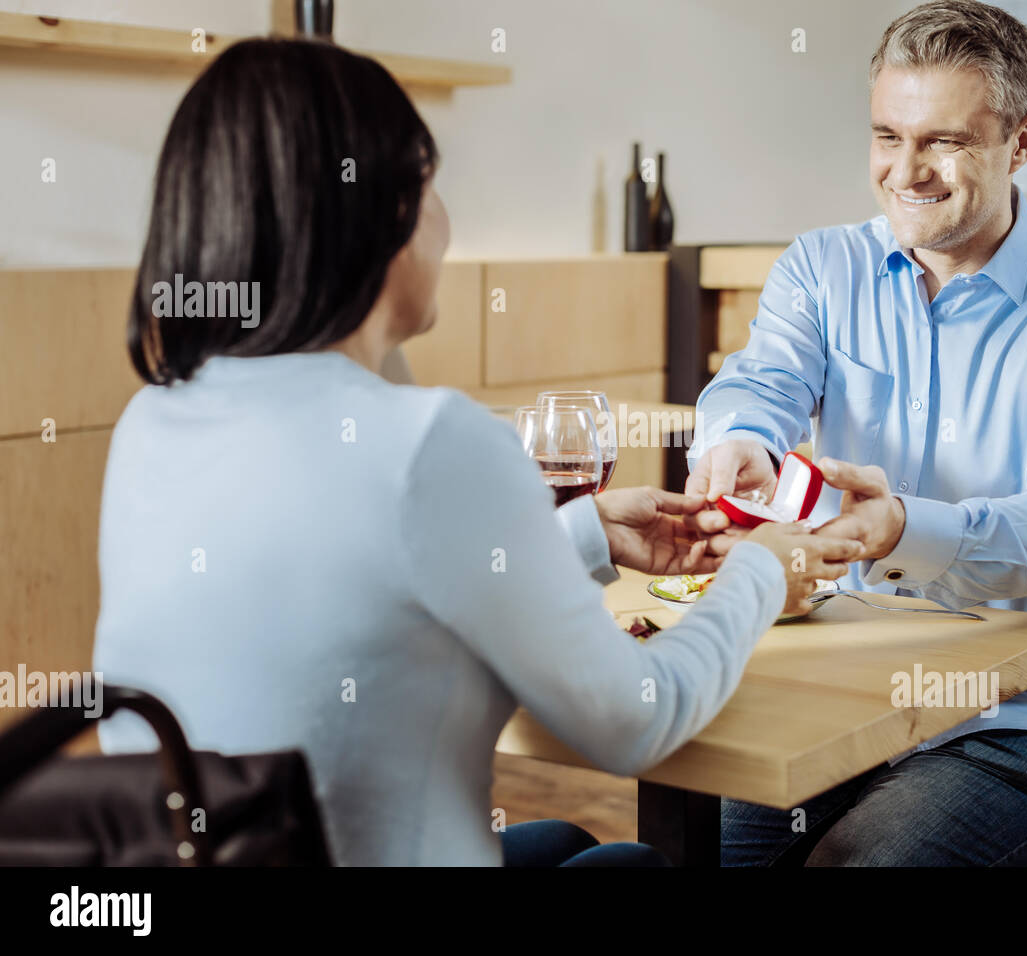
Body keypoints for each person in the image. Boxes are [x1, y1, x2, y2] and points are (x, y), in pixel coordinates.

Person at [91, 37, 869, 867]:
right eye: (429, 187)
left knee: (567, 841)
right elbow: (636, 719)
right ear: (379, 215)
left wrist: (586, 535)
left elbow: (375, 600)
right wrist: (761, 573)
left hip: (201, 857)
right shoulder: (431, 443)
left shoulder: (150, 422)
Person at [685, 0, 1027, 866]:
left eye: (943, 141)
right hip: (833, 689)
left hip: (1018, 719)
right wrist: (744, 444)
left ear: (1021, 142)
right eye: (886, 135)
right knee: (707, 853)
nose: (906, 170)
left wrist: (912, 528)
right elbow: (762, 384)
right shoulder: (820, 268)